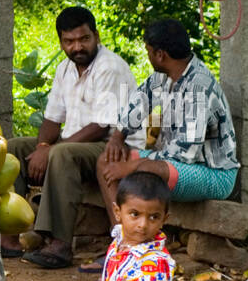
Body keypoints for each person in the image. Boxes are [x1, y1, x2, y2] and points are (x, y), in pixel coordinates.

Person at [6, 6, 136, 270]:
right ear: (61, 42)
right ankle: (10, 235)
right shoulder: (65, 68)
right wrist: (42, 145)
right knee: (13, 149)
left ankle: (60, 244)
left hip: (110, 147)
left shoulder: (109, 67)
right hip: (77, 143)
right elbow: (53, 119)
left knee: (61, 153)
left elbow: (101, 127)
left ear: (96, 36)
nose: (77, 46)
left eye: (83, 39)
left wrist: (52, 150)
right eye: (69, 41)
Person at [95, 18, 239, 233]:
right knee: (107, 160)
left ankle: (141, 242)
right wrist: (117, 137)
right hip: (176, 164)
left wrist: (132, 165)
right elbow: (138, 103)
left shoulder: (198, 88)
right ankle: (122, 239)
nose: (148, 55)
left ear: (160, 55)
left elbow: (184, 155)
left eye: (148, 50)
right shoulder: (163, 76)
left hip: (214, 175)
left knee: (146, 169)